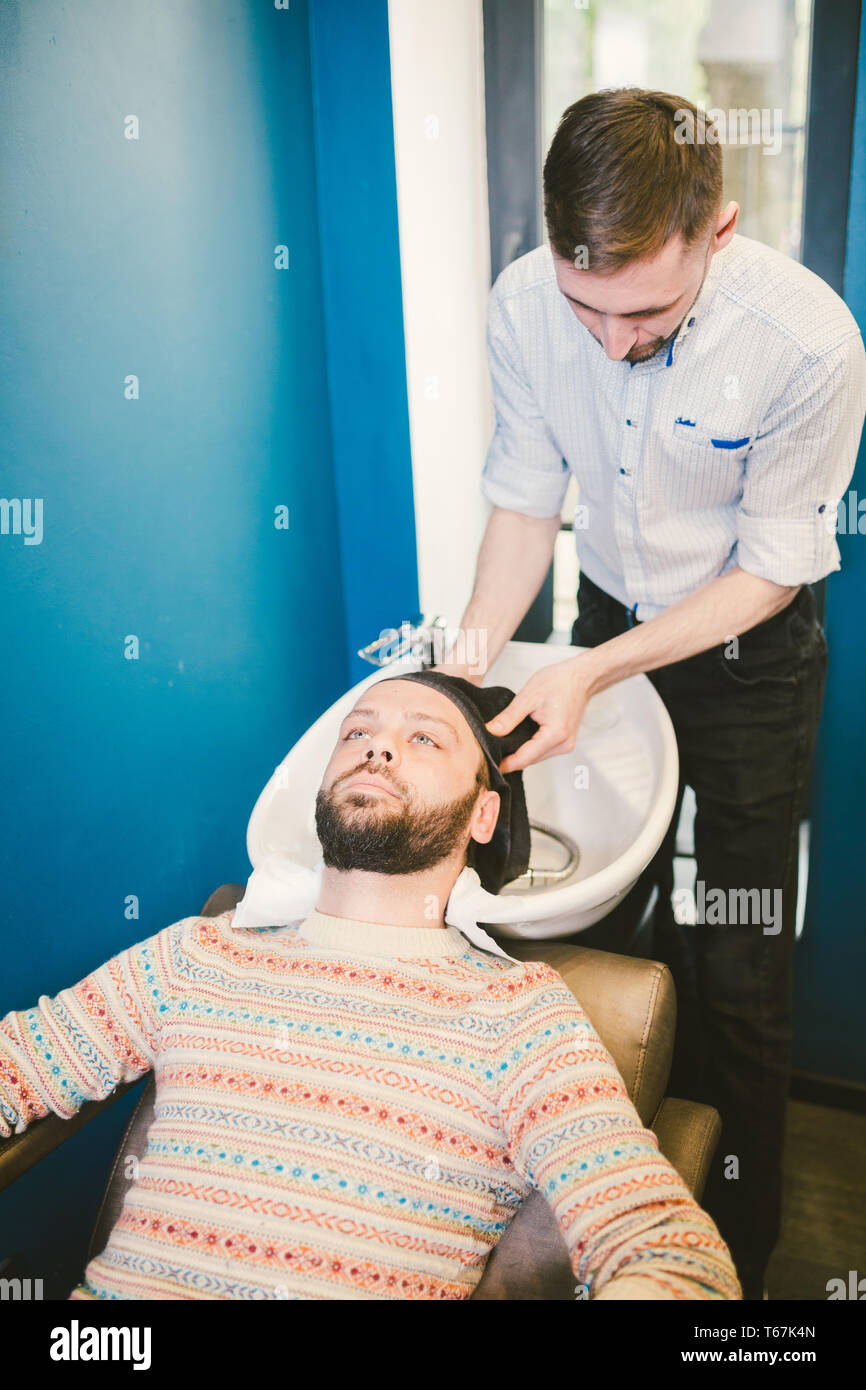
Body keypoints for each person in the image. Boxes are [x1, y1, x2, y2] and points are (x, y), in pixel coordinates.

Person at [436, 88, 866, 1301]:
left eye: (647, 313)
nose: (611, 341)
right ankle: (580, 1226)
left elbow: (773, 572)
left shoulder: (808, 343)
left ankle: (731, 1265)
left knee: (736, 952)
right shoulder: (524, 302)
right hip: (602, 616)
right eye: (589, 310)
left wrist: (595, 670)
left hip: (746, 648)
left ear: (715, 232)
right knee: (581, 918)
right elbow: (526, 496)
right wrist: (467, 667)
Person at [0, 672, 740, 1301]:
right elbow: (15, 1069)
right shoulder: (198, 955)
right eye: (358, 733)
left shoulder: (518, 1015)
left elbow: (668, 1255)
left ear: (486, 813)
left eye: (425, 738)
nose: (378, 746)